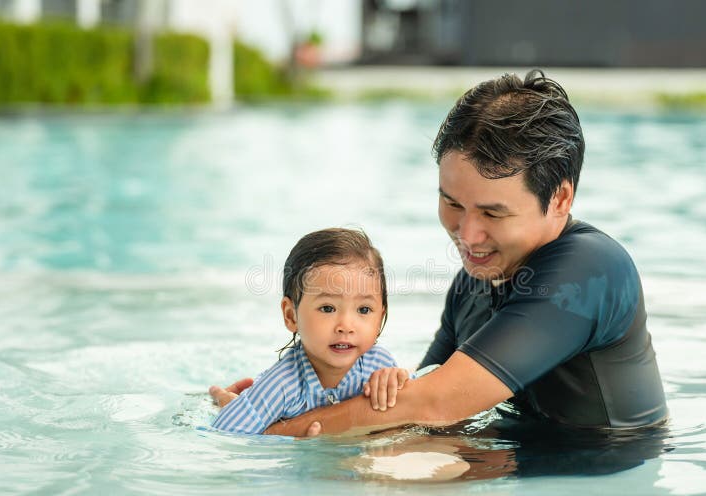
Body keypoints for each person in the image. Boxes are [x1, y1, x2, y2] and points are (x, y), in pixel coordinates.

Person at [211, 70, 668, 438]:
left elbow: (435, 402)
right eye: (452, 203)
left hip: (599, 477)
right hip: (511, 461)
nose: (466, 234)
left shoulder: (590, 270)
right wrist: (272, 401)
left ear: (561, 199)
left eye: (492, 212)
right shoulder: (476, 278)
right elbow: (412, 394)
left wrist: (266, 432)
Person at [210, 228, 410, 434]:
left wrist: (398, 383)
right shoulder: (280, 385)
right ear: (291, 316)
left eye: (364, 310)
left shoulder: (379, 367)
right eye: (327, 308)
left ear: (380, 318)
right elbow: (225, 434)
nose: (346, 326)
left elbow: (415, 416)